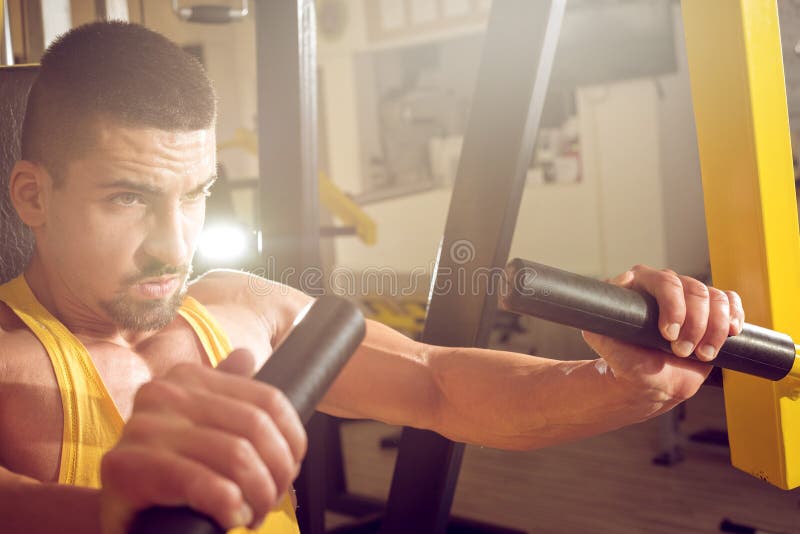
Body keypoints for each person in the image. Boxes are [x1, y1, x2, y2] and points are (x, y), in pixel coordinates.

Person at [0, 21, 744, 534]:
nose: (173, 244)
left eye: (195, 195)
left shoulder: (240, 310)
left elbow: (442, 384)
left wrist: (626, 384)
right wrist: (112, 514)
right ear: (32, 194)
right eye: (128, 197)